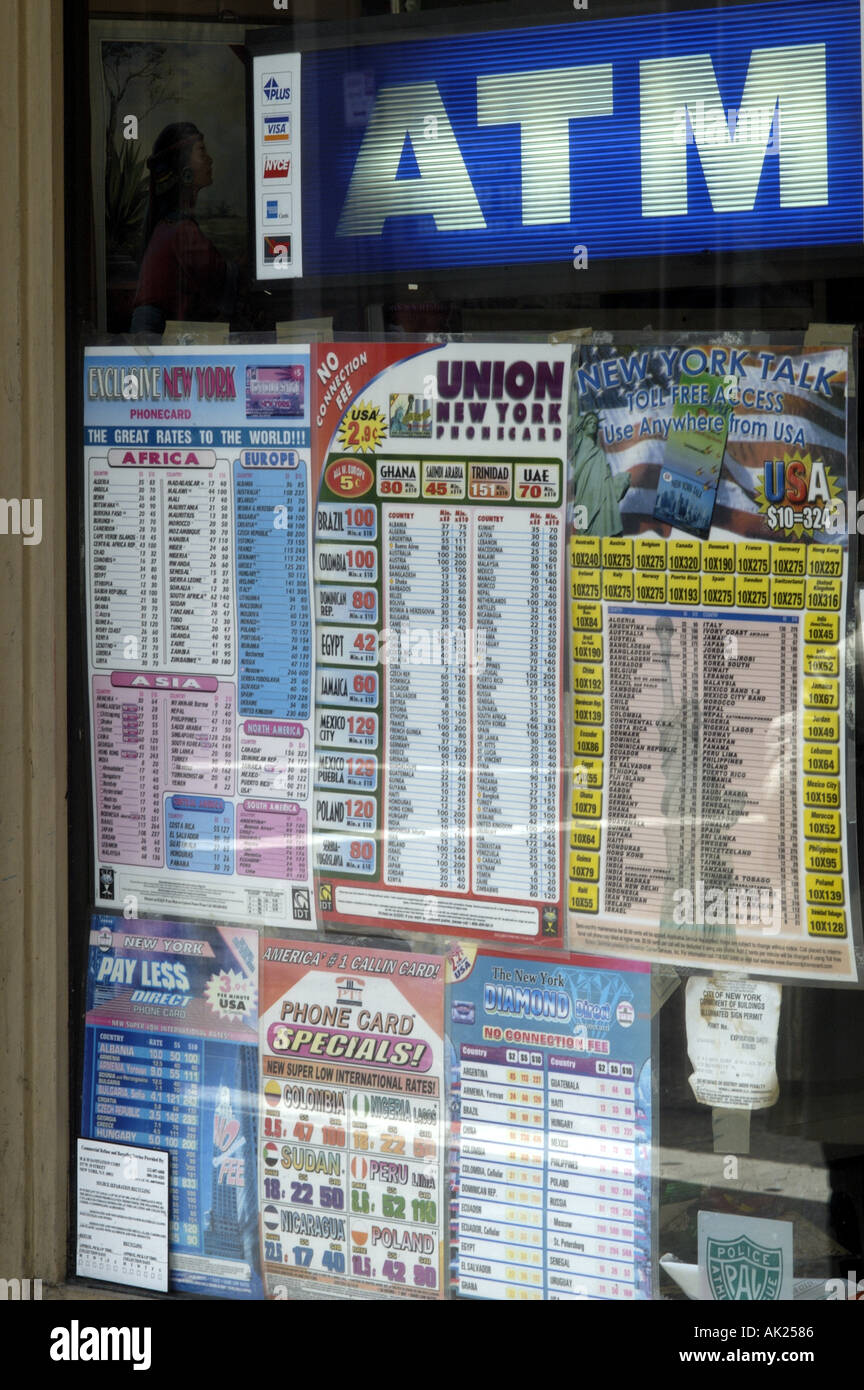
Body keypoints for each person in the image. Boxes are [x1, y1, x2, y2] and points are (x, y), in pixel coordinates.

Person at [130, 122, 238, 335]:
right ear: (185, 171)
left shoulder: (170, 226)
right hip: (153, 343)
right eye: (202, 152)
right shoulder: (181, 231)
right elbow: (218, 274)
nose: (210, 159)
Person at [571, 411, 631, 537]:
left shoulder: (599, 453)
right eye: (589, 422)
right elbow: (570, 429)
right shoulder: (580, 442)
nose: (593, 424)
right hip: (585, 489)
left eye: (595, 423)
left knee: (603, 520)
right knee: (585, 525)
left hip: (601, 491)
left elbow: (606, 480)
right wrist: (579, 420)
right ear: (584, 426)